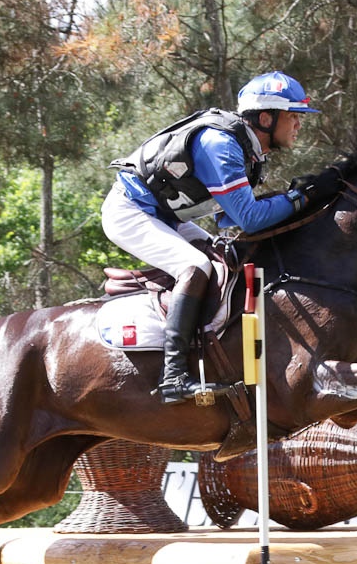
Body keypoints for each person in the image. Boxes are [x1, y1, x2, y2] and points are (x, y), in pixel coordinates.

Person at [103, 71, 340, 405]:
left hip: (167, 216)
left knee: (223, 258)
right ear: (266, 117)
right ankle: (172, 375)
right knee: (197, 265)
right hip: (130, 211)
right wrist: (302, 198)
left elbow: (227, 217)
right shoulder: (222, 145)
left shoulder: (249, 149)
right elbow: (251, 218)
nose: (299, 124)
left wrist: (296, 199)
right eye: (293, 116)